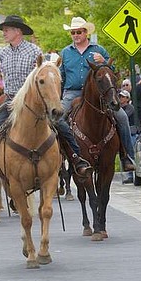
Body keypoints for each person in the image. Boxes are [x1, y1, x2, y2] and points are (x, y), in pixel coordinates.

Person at [0, 15, 92, 188]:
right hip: (11, 101)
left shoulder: (34, 51)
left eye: (7, 30)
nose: (4, 33)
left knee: (61, 126)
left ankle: (77, 160)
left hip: (33, 103)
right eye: (4, 30)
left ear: (18, 31)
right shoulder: (3, 53)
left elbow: (45, 77)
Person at [58, 17, 135, 172]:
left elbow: (111, 73)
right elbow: (61, 77)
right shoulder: (65, 52)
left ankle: (126, 156)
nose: (76, 35)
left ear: (86, 32)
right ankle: (59, 160)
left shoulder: (99, 50)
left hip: (97, 94)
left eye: (79, 32)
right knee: (56, 119)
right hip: (72, 92)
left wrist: (105, 61)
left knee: (122, 117)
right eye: (73, 32)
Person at [119, 90, 137, 184]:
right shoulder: (117, 108)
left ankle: (131, 173)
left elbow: (124, 116)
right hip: (121, 133)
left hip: (131, 133)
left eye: (123, 97)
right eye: (120, 96)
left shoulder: (130, 107)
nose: (121, 98)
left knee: (130, 149)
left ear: (127, 98)